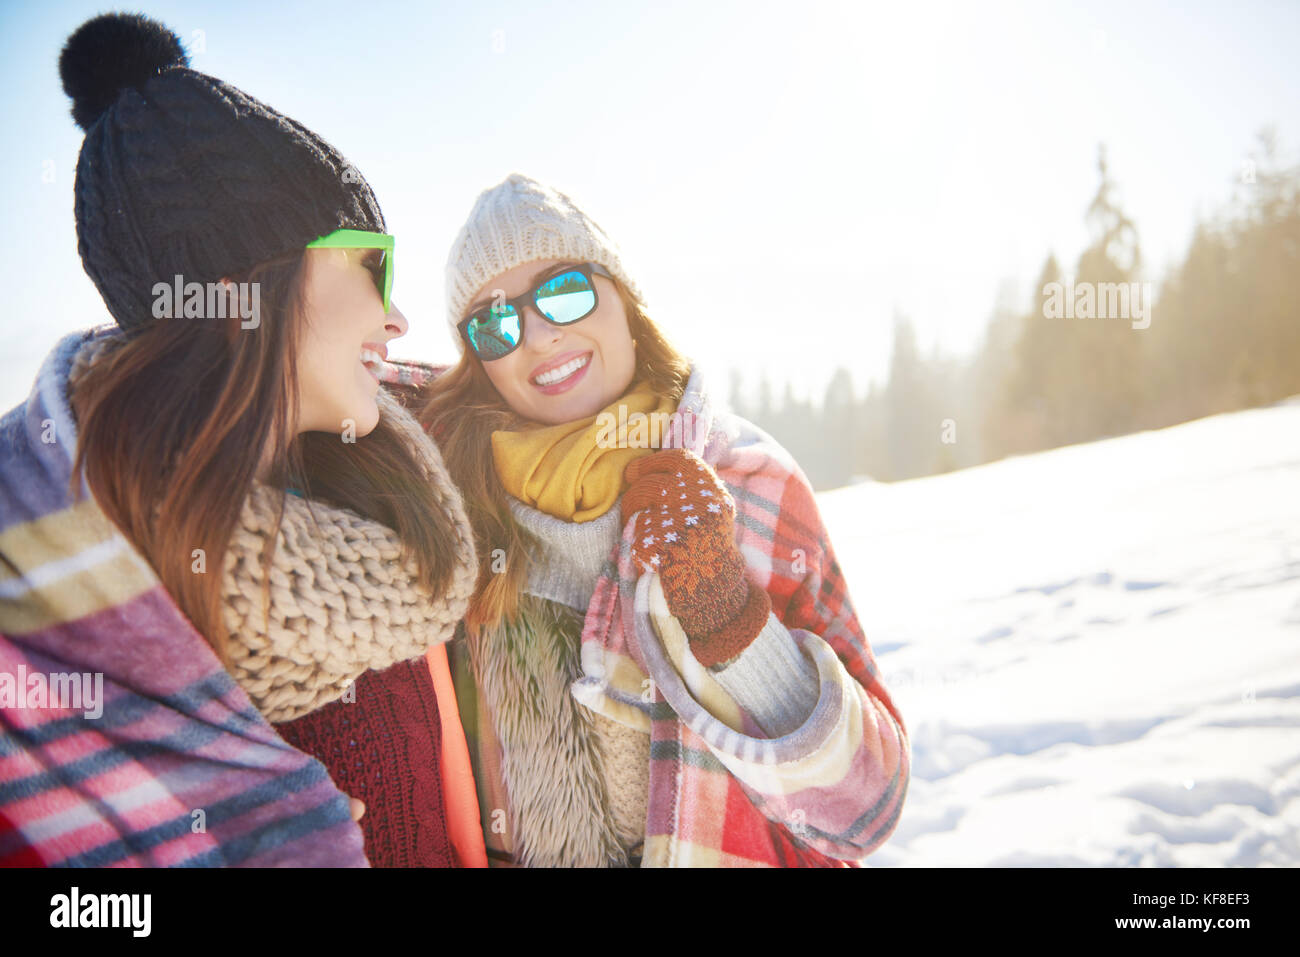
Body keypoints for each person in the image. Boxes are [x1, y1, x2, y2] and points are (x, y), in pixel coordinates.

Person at [0, 13, 482, 867]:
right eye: (373, 265)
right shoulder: (34, 604)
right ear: (238, 296)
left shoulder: (374, 509)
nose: (398, 315)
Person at [421, 173, 911, 867]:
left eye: (563, 291)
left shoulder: (751, 484)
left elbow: (868, 808)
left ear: (624, 297)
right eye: (494, 323)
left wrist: (731, 624)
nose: (535, 334)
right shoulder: (455, 521)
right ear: (479, 362)